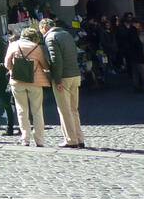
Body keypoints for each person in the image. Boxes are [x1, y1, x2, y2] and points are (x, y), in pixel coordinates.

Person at [41, 17, 84, 149]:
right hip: (75, 75)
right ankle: (79, 138)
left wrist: (57, 79)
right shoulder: (66, 34)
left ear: (45, 27)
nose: (41, 32)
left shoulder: (50, 38)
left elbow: (55, 60)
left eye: (41, 29)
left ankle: (71, 140)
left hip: (63, 77)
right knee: (73, 109)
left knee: (64, 110)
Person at [5, 28, 50, 147]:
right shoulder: (36, 47)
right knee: (37, 111)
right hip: (35, 82)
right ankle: (39, 140)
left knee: (21, 110)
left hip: (17, 81)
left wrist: (13, 69)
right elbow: (45, 65)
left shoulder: (14, 45)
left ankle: (25, 138)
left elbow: (7, 64)